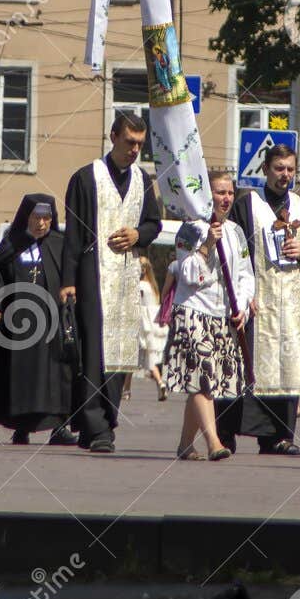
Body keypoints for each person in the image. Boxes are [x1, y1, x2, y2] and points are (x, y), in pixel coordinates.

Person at [60, 112, 162, 454]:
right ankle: (95, 425)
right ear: (113, 136)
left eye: (140, 145)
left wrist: (137, 234)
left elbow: (153, 224)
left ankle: (105, 419)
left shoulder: (143, 181)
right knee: (92, 353)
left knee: (120, 355)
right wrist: (68, 281)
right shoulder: (86, 178)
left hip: (126, 277)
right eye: (130, 142)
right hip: (92, 275)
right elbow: (72, 234)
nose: (135, 150)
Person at [223, 143, 300, 456]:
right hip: (256, 300)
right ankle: (229, 431)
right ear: (265, 170)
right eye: (280, 168)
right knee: (246, 366)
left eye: (291, 169)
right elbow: (234, 249)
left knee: (287, 366)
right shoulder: (247, 205)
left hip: (291, 303)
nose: (286, 175)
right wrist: (243, 293)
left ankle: (279, 437)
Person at [165, 192, 254, 461]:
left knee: (206, 383)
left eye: (230, 192)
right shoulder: (191, 228)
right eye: (219, 192)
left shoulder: (236, 231)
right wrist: (208, 245)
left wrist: (243, 307)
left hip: (223, 315)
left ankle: (184, 444)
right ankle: (214, 441)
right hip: (193, 312)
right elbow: (190, 274)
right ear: (206, 194)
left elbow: (245, 274)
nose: (226, 198)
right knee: (202, 378)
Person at [0, 194, 73, 445]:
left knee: (57, 375)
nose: (41, 223)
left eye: (46, 218)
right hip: (20, 322)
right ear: (27, 217)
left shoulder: (59, 244)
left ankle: (59, 427)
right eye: (36, 218)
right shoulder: (11, 244)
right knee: (20, 375)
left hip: (52, 321)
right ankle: (21, 427)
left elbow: (70, 277)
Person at [136, 255, 168, 401]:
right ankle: (126, 389)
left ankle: (160, 382)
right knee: (146, 357)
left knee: (147, 359)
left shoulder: (141, 286)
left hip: (145, 324)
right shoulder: (153, 286)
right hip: (154, 323)